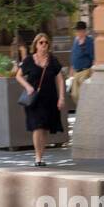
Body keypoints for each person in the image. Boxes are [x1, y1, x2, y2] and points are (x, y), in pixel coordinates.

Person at [17, 32, 65, 167]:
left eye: (46, 42)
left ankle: (41, 155)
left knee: (44, 129)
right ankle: (37, 157)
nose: (44, 45)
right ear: (36, 45)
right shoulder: (29, 60)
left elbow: (60, 79)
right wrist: (27, 87)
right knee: (37, 127)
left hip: (49, 98)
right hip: (34, 99)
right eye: (41, 42)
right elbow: (18, 76)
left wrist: (61, 97)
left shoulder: (52, 60)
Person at [67, 21, 94, 96]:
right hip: (76, 72)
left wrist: (92, 73)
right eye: (76, 30)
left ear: (84, 31)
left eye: (78, 30)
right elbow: (73, 57)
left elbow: (93, 58)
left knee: (82, 95)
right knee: (74, 95)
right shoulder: (76, 41)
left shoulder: (89, 42)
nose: (77, 32)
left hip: (85, 71)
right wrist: (71, 72)